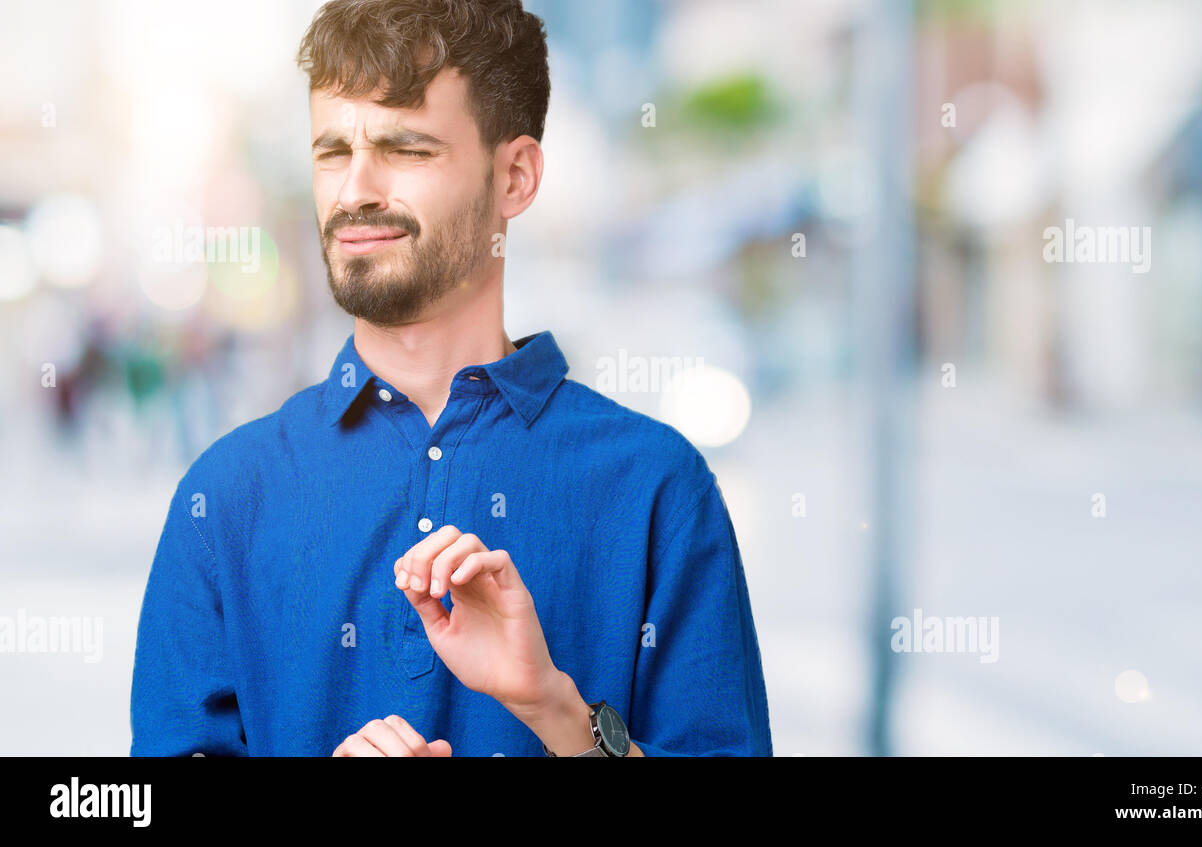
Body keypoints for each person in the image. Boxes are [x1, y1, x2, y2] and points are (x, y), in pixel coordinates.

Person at [130, 0, 772, 757]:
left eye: (407, 148)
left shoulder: (660, 488)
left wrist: (556, 709)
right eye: (333, 150)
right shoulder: (225, 496)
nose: (355, 190)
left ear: (517, 176)